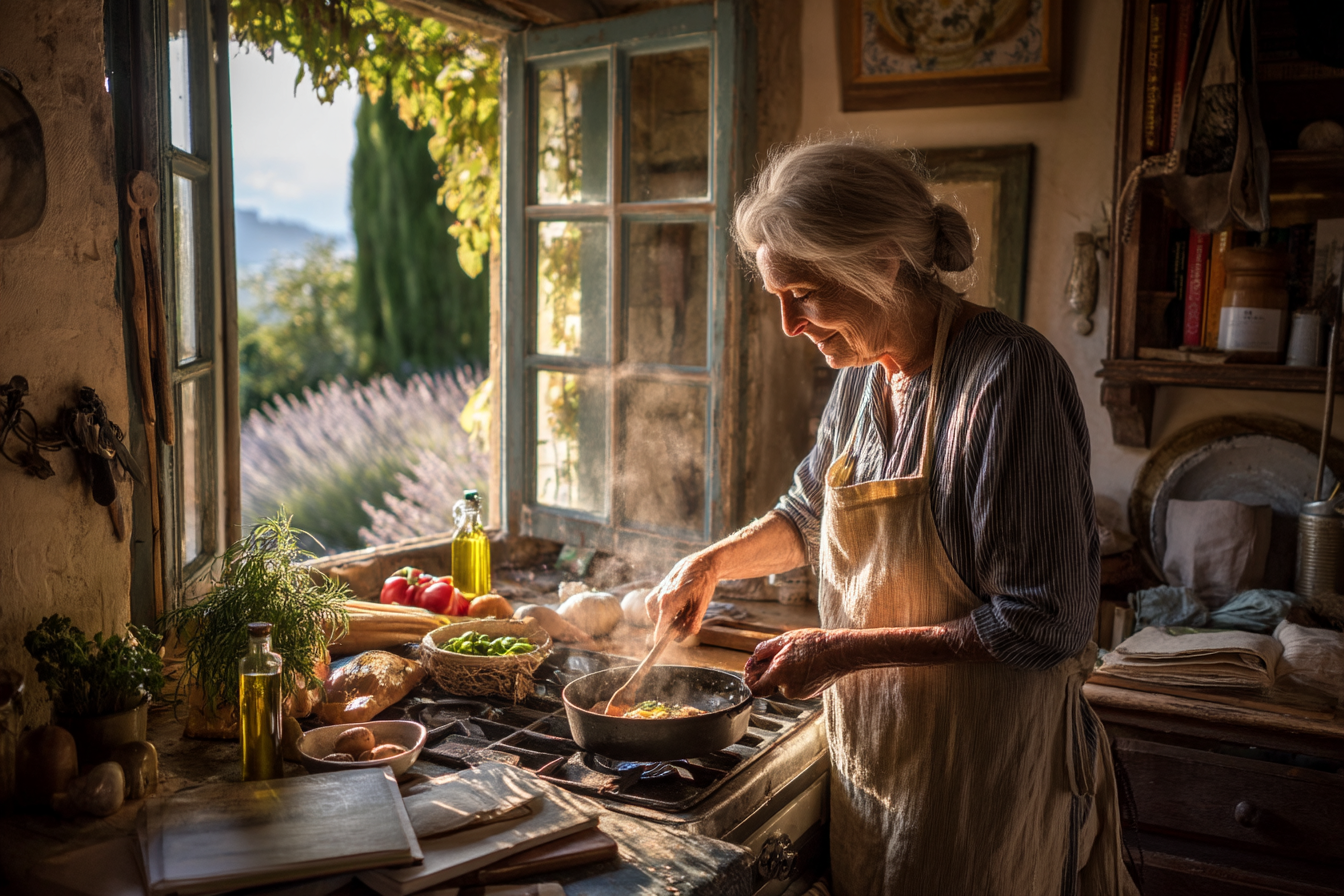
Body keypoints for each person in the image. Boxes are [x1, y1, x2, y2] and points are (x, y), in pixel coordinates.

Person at [644, 138, 1138, 896]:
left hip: (983, 783)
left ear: (880, 262)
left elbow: (1044, 621)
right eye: (776, 295)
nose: (787, 324)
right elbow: (808, 513)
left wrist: (841, 650)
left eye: (803, 292)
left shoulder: (1010, 379)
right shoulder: (862, 376)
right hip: (876, 769)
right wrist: (709, 563)